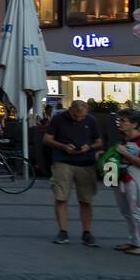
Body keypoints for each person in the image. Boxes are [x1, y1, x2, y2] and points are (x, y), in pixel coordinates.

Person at [44, 99, 102, 245]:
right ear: (70, 110)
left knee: (86, 200)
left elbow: (99, 141)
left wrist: (88, 147)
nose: (79, 119)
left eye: (82, 117)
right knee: (61, 197)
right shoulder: (58, 119)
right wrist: (63, 146)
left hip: (86, 163)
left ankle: (87, 232)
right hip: (63, 161)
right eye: (76, 116)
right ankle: (63, 231)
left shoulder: (91, 120)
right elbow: (47, 139)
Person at [109, 109, 140, 256]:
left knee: (139, 212)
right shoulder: (123, 140)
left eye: (123, 121)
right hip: (121, 178)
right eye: (118, 120)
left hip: (136, 179)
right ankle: (134, 240)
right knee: (127, 212)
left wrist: (124, 153)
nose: (119, 123)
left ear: (134, 124)